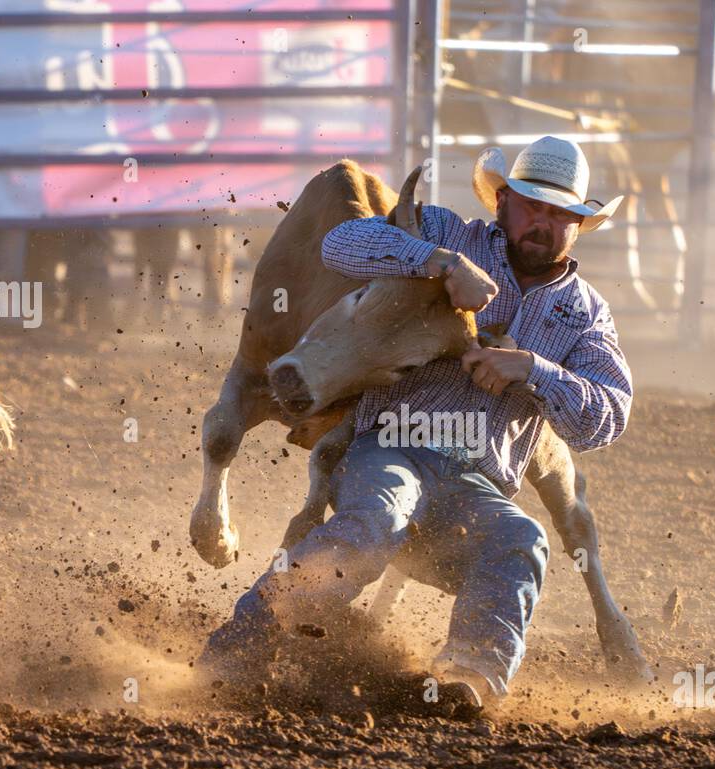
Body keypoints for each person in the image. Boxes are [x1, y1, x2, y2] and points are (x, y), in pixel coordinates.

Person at [202, 136, 631, 714]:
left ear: (579, 225)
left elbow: (606, 416)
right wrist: (443, 264)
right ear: (502, 200)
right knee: (376, 516)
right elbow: (342, 243)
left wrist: (532, 370)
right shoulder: (447, 234)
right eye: (532, 205)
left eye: (561, 214)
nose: (543, 224)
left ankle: (467, 681)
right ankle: (244, 643)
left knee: (522, 538)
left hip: (477, 486)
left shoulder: (584, 313)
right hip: (392, 447)